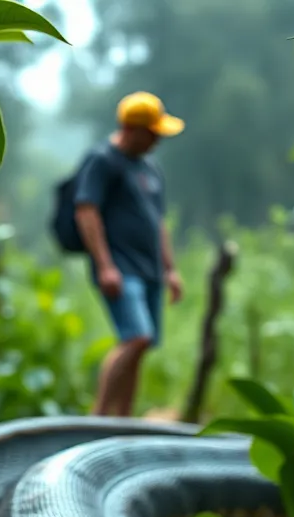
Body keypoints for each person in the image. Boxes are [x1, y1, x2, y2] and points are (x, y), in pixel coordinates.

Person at [74, 92, 185, 417]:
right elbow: (86, 210)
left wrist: (170, 269)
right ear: (132, 130)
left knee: (143, 345)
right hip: (121, 268)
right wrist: (105, 266)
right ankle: (98, 417)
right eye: (152, 133)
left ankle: (122, 420)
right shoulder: (102, 160)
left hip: (149, 269)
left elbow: (158, 222)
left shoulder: (150, 167)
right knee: (136, 336)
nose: (156, 141)